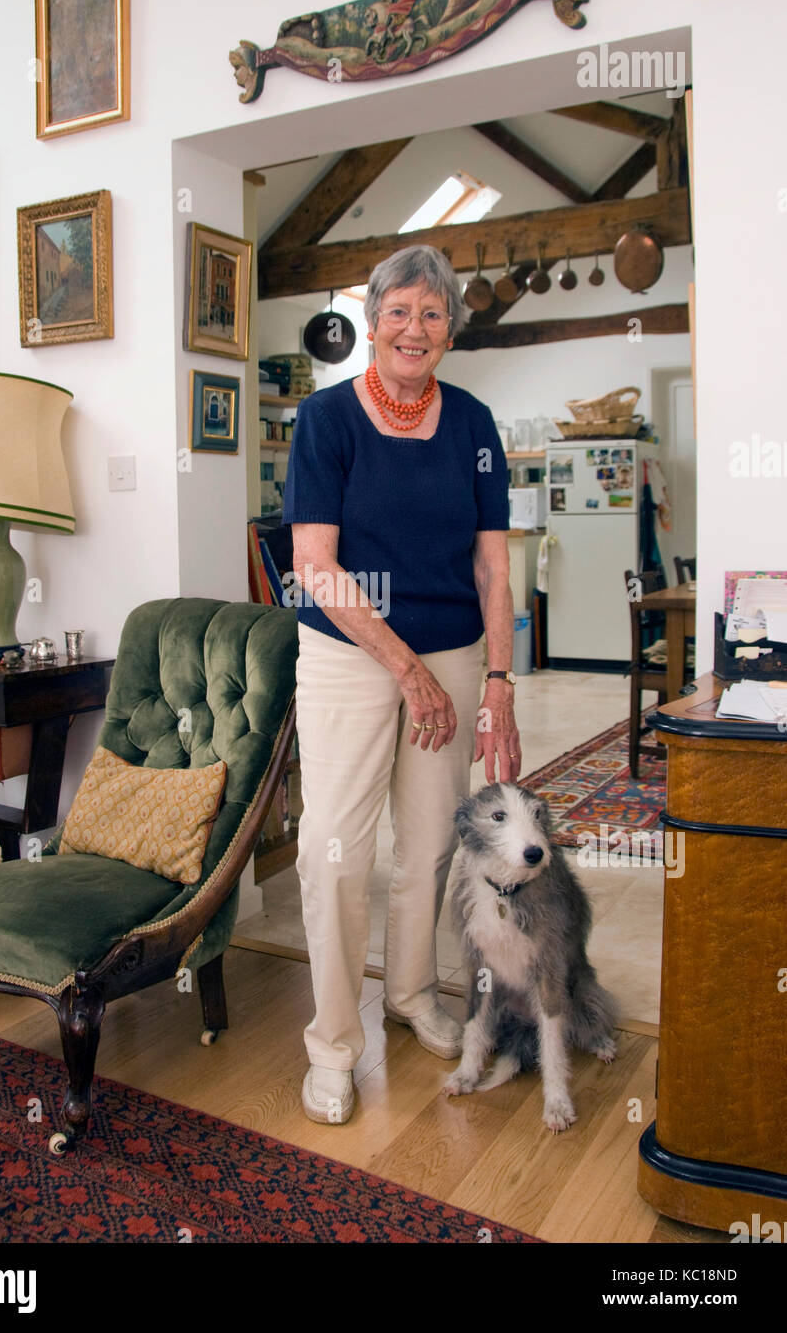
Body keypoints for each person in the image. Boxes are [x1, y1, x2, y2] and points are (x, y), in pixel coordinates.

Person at [282, 244, 521, 1124]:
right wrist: (406, 670)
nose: (413, 329)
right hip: (350, 654)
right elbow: (315, 564)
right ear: (371, 324)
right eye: (398, 312)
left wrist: (497, 680)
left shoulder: (473, 424)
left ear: (451, 330)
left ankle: (413, 991)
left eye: (432, 314)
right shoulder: (326, 420)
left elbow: (494, 569)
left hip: (455, 655)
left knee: (427, 846)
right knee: (334, 852)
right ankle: (334, 1043)